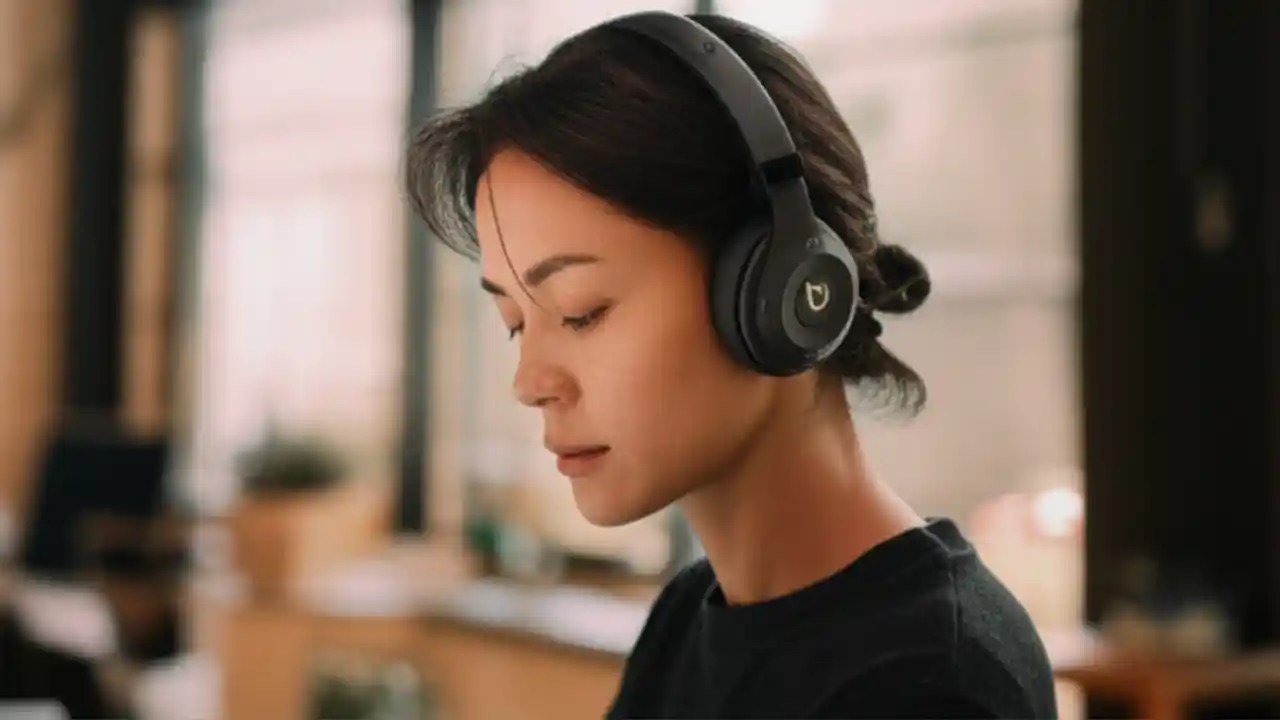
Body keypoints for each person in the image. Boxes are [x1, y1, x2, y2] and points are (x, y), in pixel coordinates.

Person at [406, 10, 1056, 719]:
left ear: (778, 289)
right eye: (514, 325)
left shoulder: (927, 687)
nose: (530, 382)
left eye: (581, 310)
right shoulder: (688, 617)